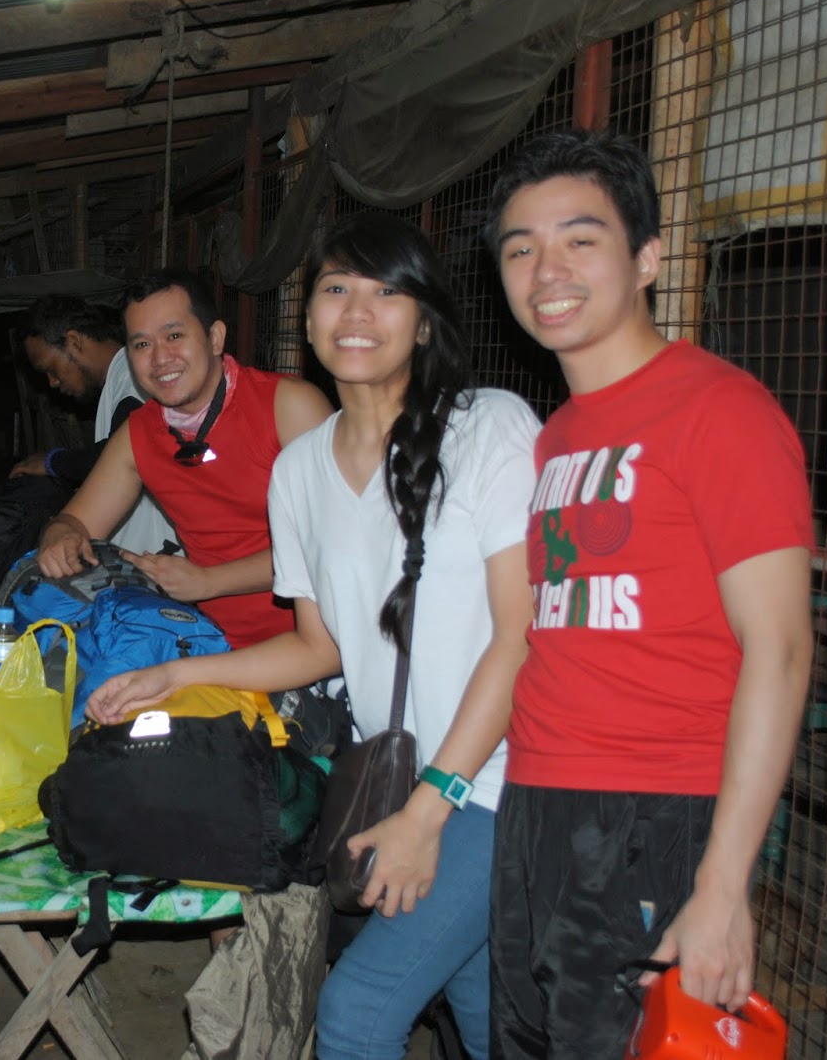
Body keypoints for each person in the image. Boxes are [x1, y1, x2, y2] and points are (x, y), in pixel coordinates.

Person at [91, 215, 538, 1059]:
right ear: (309, 318)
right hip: (402, 770)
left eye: (386, 290)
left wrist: (430, 807)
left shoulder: (489, 428)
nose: (358, 311)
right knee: (479, 1009)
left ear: (426, 319)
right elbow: (319, 646)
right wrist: (179, 676)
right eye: (337, 289)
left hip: (498, 779)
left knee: (357, 1011)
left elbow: (521, 635)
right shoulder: (301, 471)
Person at [484, 128, 813, 1058]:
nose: (546, 268)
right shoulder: (559, 435)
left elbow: (781, 651)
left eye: (580, 239)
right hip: (538, 800)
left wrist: (722, 884)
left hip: (654, 812)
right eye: (520, 248)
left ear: (649, 258)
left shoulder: (721, 410)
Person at [36, 269, 332, 647]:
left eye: (174, 336)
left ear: (214, 337)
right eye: (141, 345)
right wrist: (60, 533)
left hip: (315, 644)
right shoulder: (139, 433)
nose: (160, 358)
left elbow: (328, 546)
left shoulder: (289, 406)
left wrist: (208, 581)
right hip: (209, 642)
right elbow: (77, 519)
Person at [9, 296, 178, 555]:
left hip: (160, 556)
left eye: (51, 368)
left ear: (74, 342)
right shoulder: (119, 379)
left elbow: (120, 456)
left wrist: (53, 462)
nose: (52, 382)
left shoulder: (133, 378)